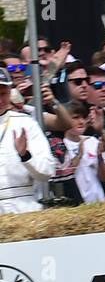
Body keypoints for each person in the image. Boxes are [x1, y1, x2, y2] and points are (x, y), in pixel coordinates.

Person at [0, 68, 56, 212]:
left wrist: (25, 156)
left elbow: (47, 170)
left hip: (23, 208)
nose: (0, 100)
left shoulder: (25, 123)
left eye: (3, 94)